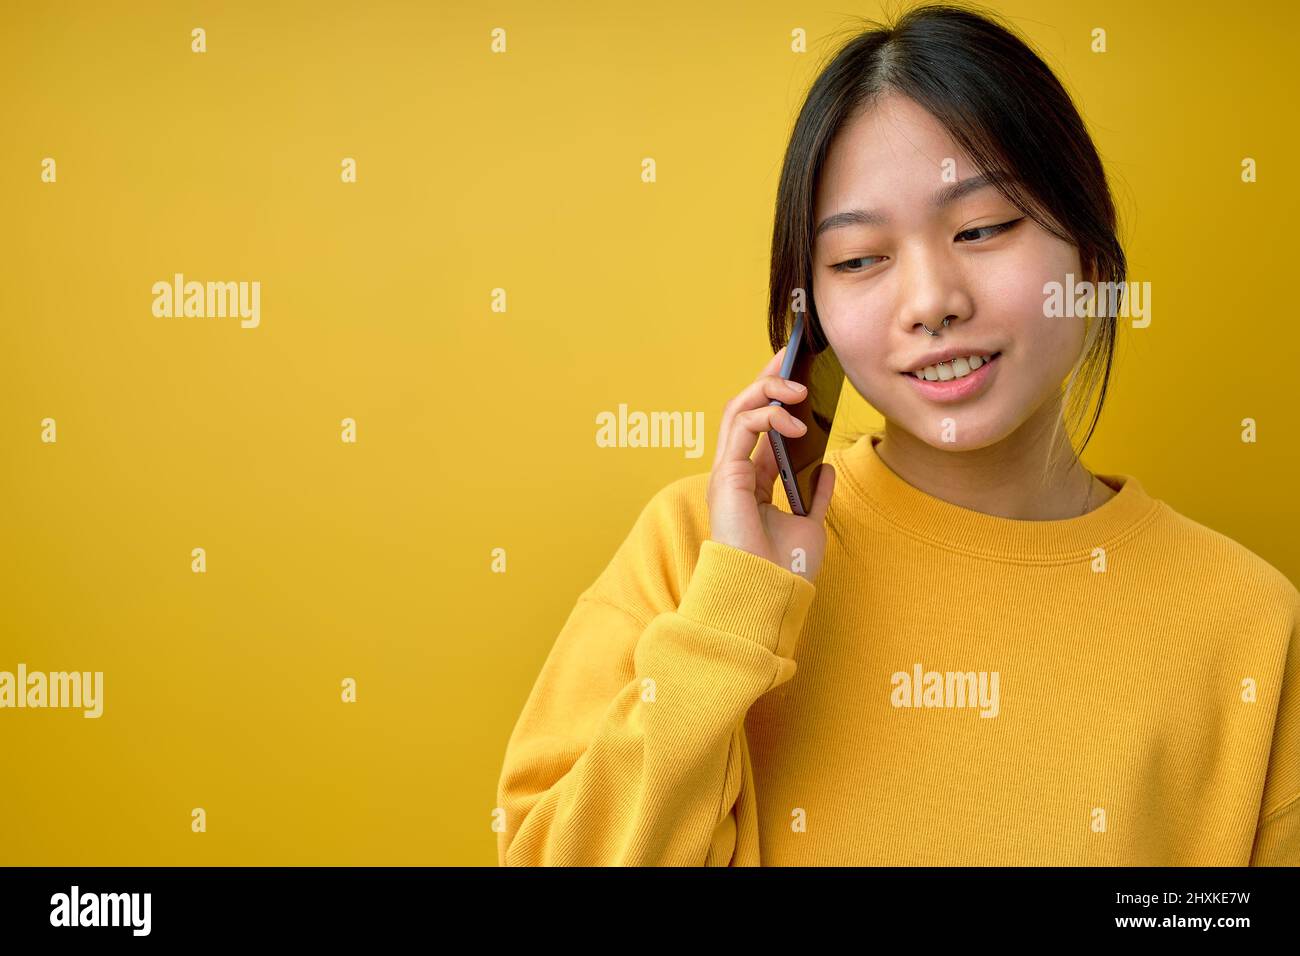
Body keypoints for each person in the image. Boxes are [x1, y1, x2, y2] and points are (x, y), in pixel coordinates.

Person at [495, 3, 1300, 866]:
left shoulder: (1250, 623)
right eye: (858, 260)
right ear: (812, 320)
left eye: (984, 228)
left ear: (1093, 259)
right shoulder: (701, 554)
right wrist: (736, 618)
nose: (931, 302)